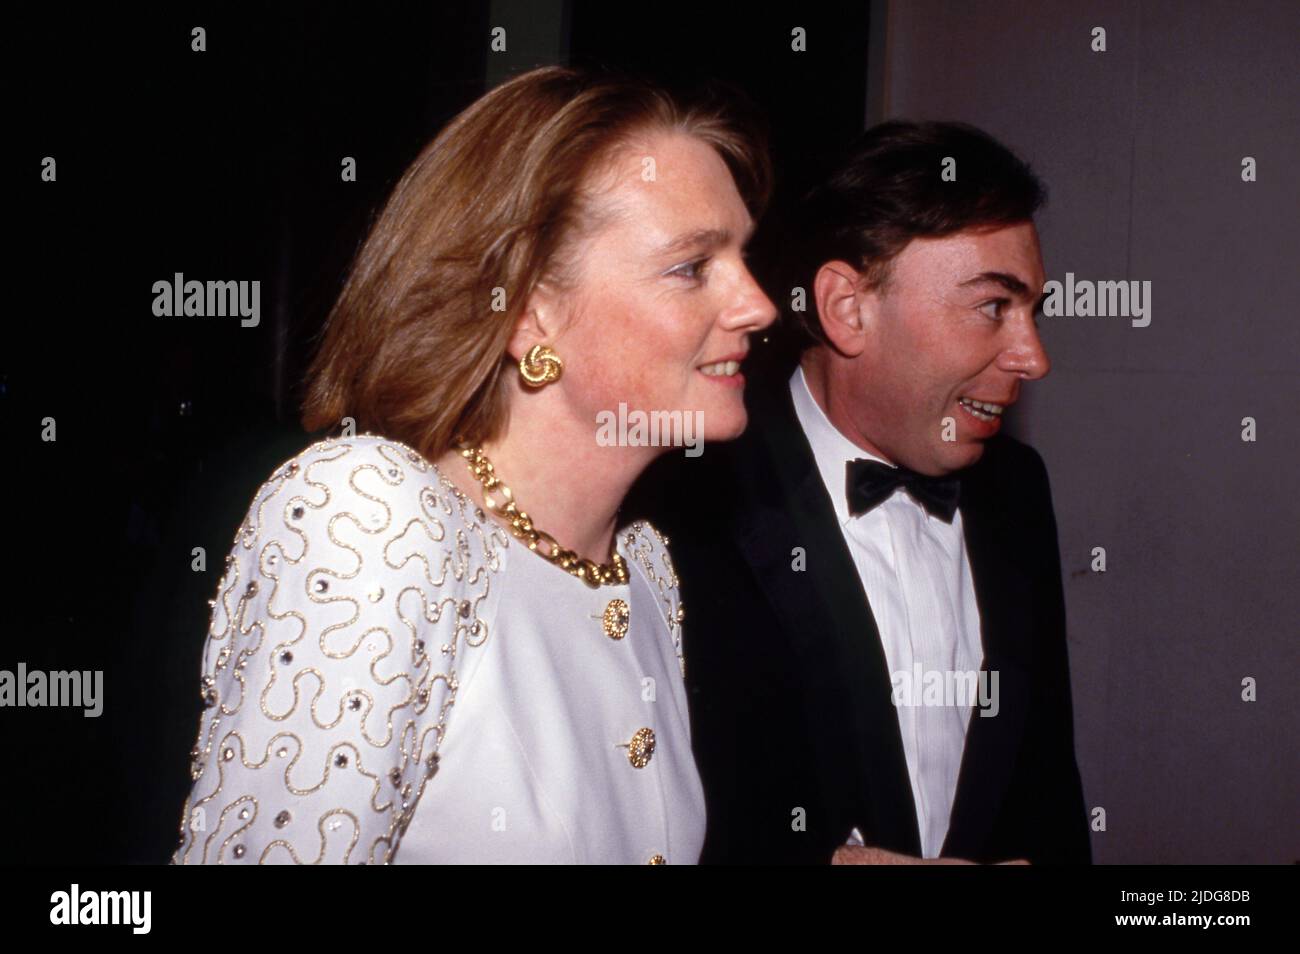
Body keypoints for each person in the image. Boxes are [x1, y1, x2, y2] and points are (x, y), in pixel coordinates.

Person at [170, 65, 777, 864]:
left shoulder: (643, 568)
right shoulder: (371, 518)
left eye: (742, 256)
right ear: (529, 315)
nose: (760, 304)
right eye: (692, 266)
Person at [628, 120, 1091, 864]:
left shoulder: (1016, 489)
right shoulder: (681, 501)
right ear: (848, 307)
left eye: (1033, 310)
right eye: (993, 307)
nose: (1032, 357)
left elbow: (1047, 787)